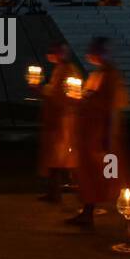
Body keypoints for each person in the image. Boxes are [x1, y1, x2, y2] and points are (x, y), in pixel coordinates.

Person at [67, 37, 129, 229]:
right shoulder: (97, 75)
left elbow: (111, 108)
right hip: (89, 136)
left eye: (94, 50)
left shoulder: (111, 76)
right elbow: (89, 100)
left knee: (111, 175)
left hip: (103, 137)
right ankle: (87, 212)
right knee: (90, 176)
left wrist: (106, 136)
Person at [36, 44, 80, 203]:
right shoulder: (60, 69)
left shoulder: (68, 70)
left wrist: (42, 90)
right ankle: (54, 192)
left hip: (62, 122)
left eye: (53, 52)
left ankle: (75, 192)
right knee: (55, 159)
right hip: (56, 120)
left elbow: (62, 95)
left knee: (58, 159)